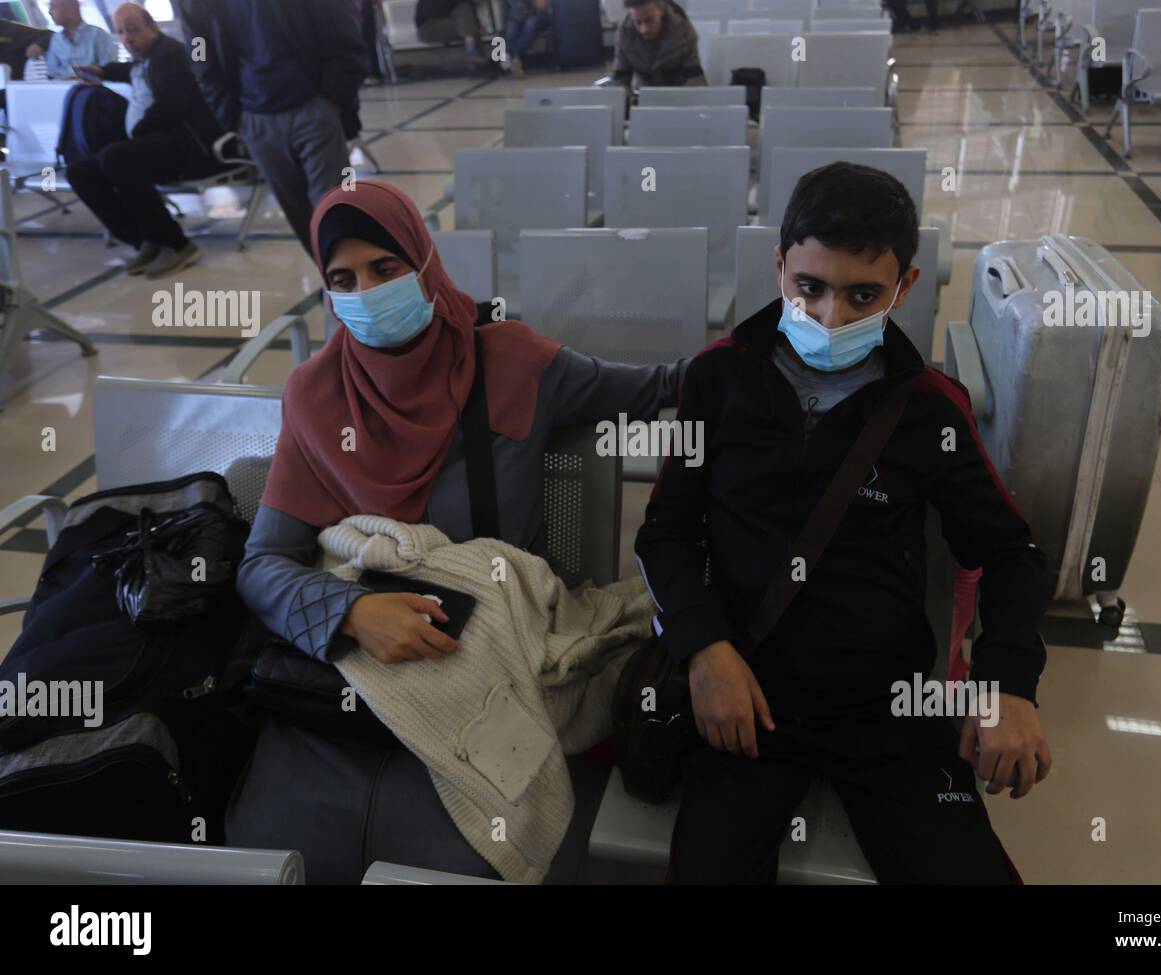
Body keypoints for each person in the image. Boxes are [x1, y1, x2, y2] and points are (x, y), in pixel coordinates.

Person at [226, 180, 690, 883]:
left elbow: (657, 387)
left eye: (385, 269)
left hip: (494, 654)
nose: (367, 294)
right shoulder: (317, 396)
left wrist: (780, 351)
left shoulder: (513, 360)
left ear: (425, 262)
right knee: (281, 850)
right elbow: (263, 563)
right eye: (342, 280)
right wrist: (351, 610)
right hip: (360, 673)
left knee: (462, 854)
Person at [635, 163, 1052, 884]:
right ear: (780, 267)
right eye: (811, 287)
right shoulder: (718, 380)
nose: (831, 316)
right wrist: (705, 649)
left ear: (905, 287)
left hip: (886, 705)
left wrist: (1008, 683)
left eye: (863, 296)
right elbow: (665, 532)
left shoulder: (929, 410)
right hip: (748, 695)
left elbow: (1012, 550)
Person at [177, 0, 369, 253]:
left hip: (313, 106)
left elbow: (339, 23)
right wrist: (230, 115)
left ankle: (351, 281)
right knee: (297, 212)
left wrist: (333, 96)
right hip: (255, 118)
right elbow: (198, 52)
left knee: (334, 206)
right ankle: (332, 277)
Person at [67, 3, 228, 279]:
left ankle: (178, 244)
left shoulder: (172, 55)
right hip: (158, 144)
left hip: (189, 148)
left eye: (133, 30)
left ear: (153, 28)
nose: (127, 38)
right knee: (80, 171)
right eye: (121, 32)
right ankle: (146, 240)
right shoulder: (146, 57)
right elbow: (128, 70)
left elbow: (172, 105)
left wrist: (136, 133)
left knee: (116, 157)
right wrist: (102, 72)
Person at [613, 0, 705, 94]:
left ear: (661, 10)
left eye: (649, 19)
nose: (644, 29)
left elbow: (695, 78)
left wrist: (684, 100)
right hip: (643, 96)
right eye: (638, 22)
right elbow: (620, 78)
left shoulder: (684, 31)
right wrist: (628, 97)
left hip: (679, 93)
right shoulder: (625, 34)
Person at [24, 0, 118, 80]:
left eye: (53, 7)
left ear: (71, 9)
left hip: (94, 93)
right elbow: (52, 74)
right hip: (63, 94)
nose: (49, 12)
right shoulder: (56, 39)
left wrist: (82, 78)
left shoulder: (99, 35)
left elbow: (110, 72)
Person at [416, 0, 488, 69]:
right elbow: (434, 11)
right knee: (463, 10)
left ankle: (475, 54)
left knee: (466, 15)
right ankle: (472, 53)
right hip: (427, 29)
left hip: (438, 25)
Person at [500, 0, 550, 77]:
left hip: (537, 14)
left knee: (529, 26)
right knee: (511, 30)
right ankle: (514, 59)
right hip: (517, 16)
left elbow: (542, 5)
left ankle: (510, 54)